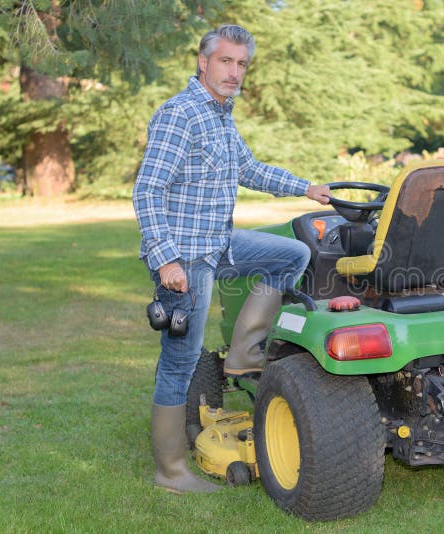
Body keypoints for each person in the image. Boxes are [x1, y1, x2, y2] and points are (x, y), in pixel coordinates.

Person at [132, 24, 330, 493]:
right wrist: (166, 261)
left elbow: (250, 169)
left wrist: (305, 188)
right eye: (225, 61)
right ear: (203, 62)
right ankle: (172, 472)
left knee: (293, 253)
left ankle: (243, 353)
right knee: (179, 361)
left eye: (242, 64)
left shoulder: (221, 115)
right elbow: (147, 190)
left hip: (219, 242)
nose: (234, 72)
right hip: (185, 259)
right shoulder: (179, 114)